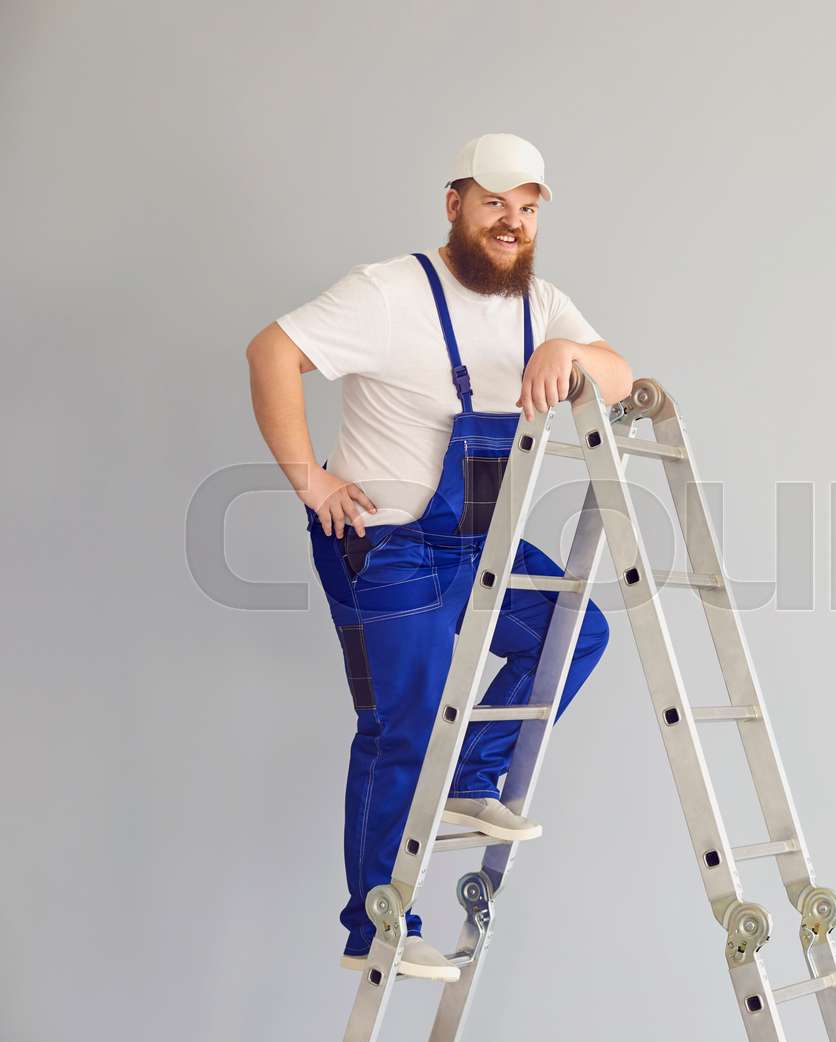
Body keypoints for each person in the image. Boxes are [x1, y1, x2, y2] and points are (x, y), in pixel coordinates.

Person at [246, 133, 633, 982]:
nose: (512, 222)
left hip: (479, 545)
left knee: (578, 631)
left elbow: (618, 373)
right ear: (454, 202)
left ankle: (472, 771)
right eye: (495, 202)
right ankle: (378, 923)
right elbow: (272, 350)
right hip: (387, 545)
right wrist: (310, 479)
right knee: (400, 725)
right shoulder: (390, 292)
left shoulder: (542, 304)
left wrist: (572, 353)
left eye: (527, 209)